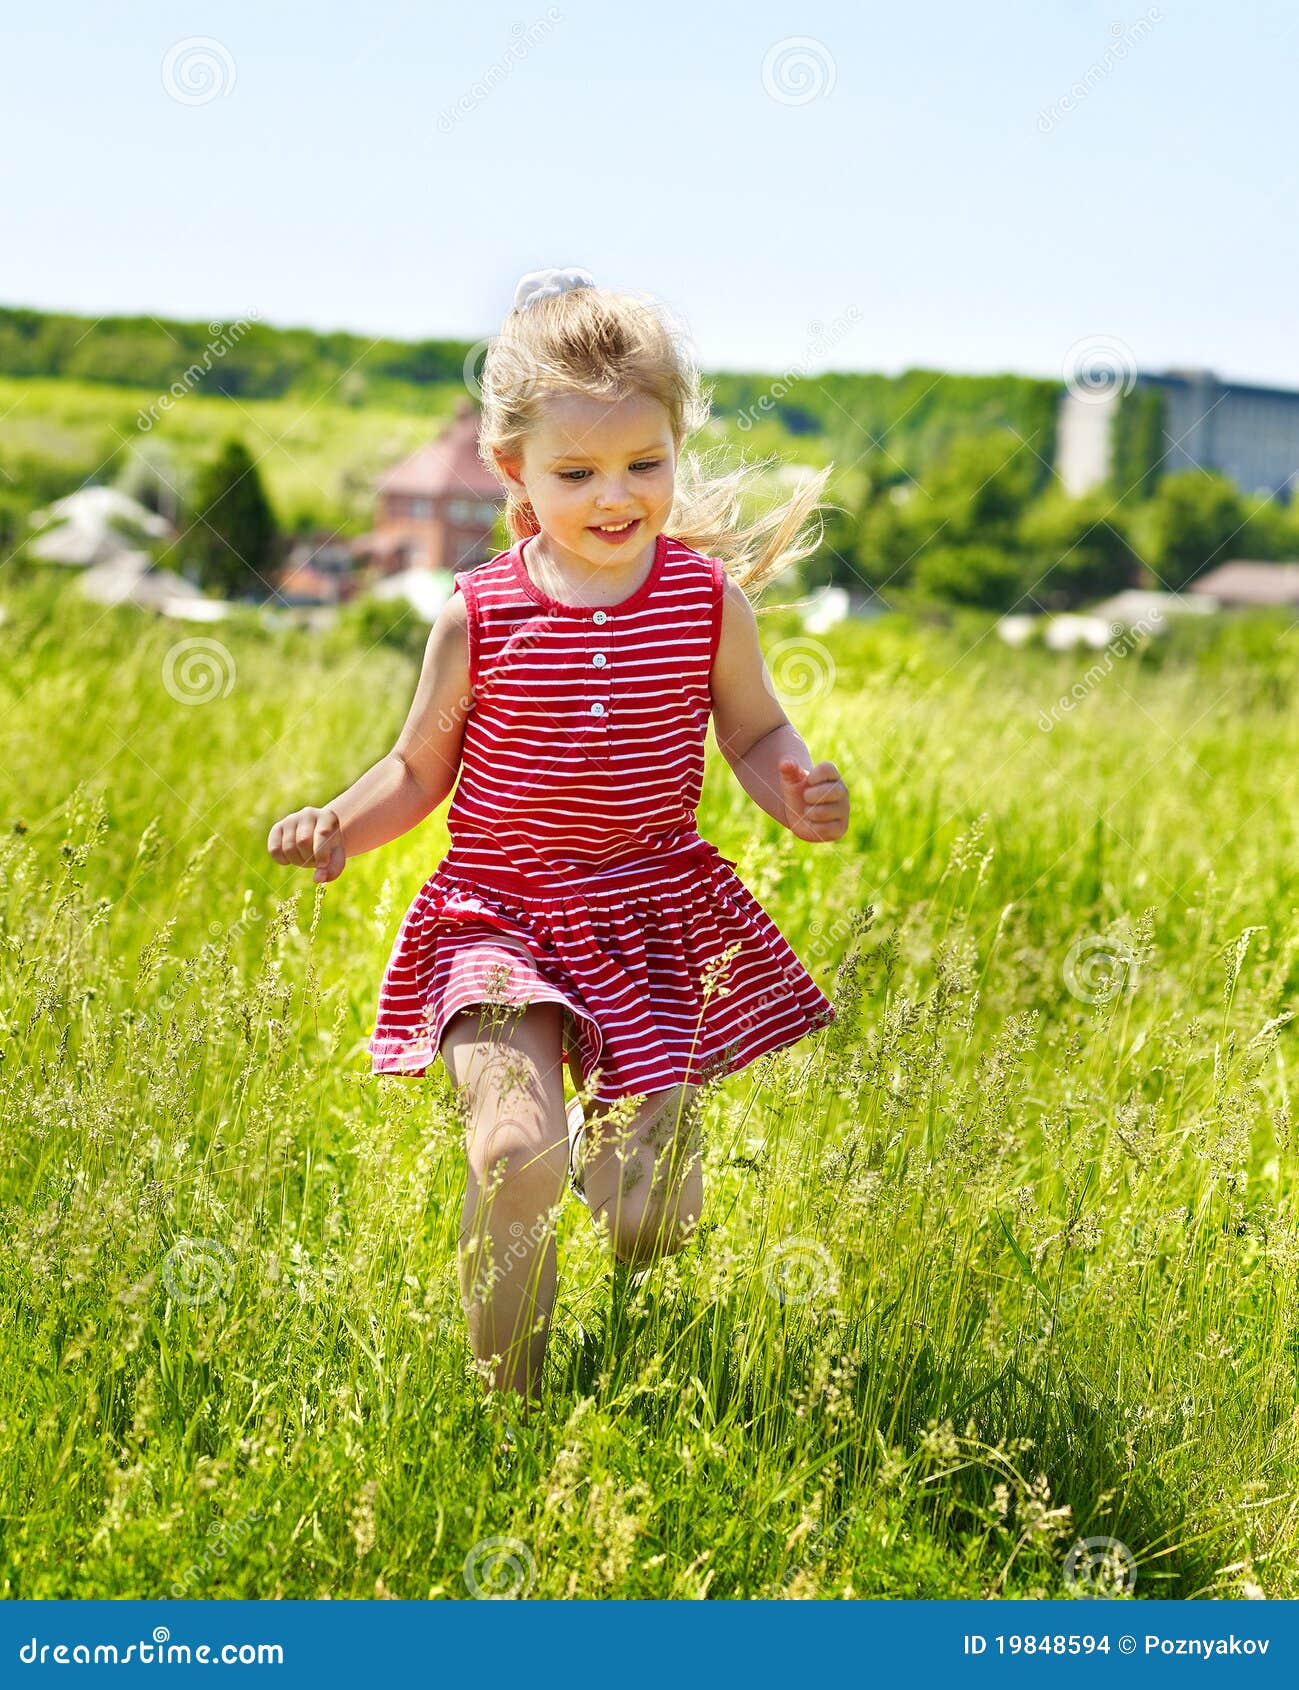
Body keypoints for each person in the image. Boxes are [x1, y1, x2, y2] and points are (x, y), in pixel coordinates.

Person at [267, 266, 850, 1413]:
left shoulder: (703, 602)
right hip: (501, 917)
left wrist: (793, 786)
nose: (617, 495)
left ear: (676, 445)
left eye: (645, 463)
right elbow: (417, 770)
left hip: (650, 914)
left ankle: (616, 1162)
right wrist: (341, 821)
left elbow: (755, 729)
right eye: (577, 472)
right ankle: (510, 1418)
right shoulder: (480, 613)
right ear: (515, 473)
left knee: (651, 1220)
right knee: (511, 1154)